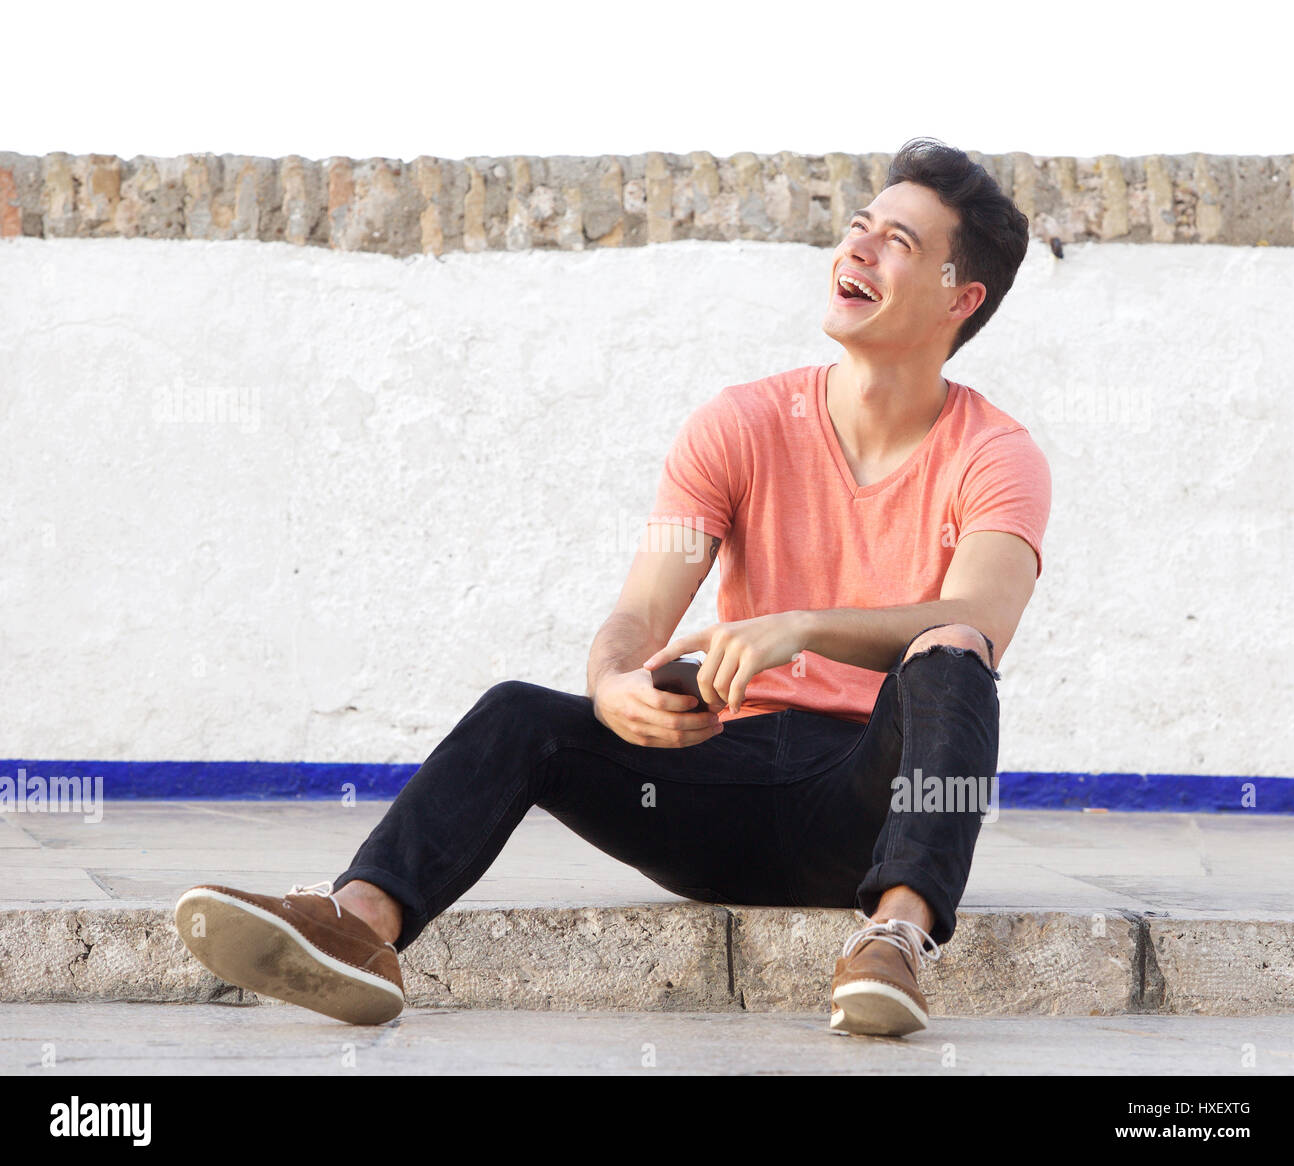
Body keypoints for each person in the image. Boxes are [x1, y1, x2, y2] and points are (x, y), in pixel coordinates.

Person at [176, 136, 1050, 1038]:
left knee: (952, 656)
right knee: (520, 712)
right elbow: (639, 614)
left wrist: (802, 627)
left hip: (866, 800)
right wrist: (614, 685)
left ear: (961, 295)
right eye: (858, 228)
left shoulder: (997, 454)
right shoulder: (740, 424)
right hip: (718, 789)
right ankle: (359, 925)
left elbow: (979, 619)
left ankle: (896, 941)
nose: (856, 251)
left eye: (898, 242)